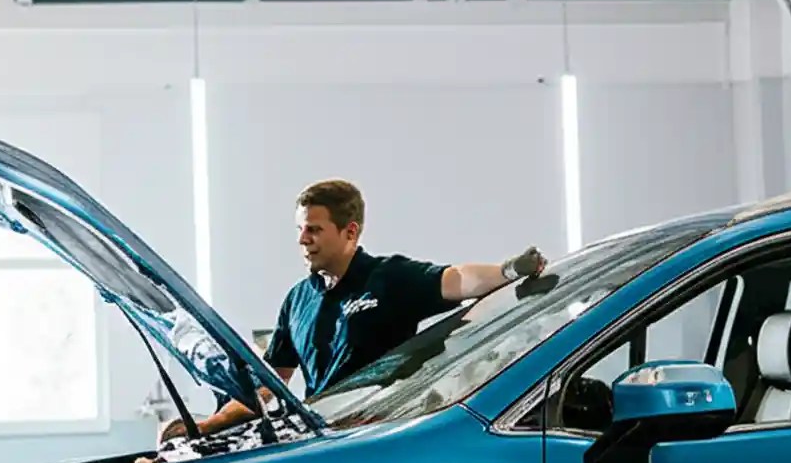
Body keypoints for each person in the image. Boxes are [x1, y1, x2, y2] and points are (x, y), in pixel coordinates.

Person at [158, 178, 546, 443]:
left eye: (313, 230)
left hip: (382, 435)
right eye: (299, 230)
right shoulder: (297, 300)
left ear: (350, 232)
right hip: (323, 438)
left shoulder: (389, 278)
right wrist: (207, 426)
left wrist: (509, 270)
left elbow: (458, 279)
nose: (302, 240)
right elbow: (267, 386)